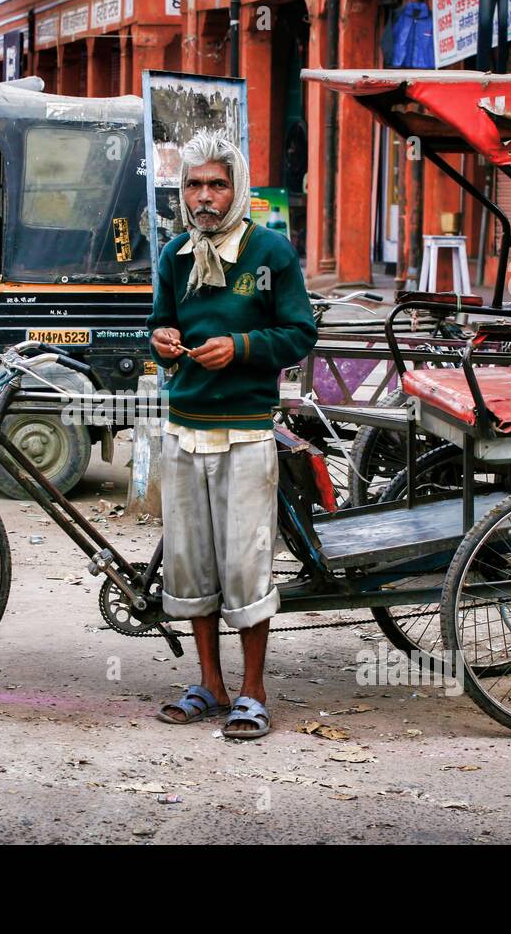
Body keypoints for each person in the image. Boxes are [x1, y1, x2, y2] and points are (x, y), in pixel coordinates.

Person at [147, 131, 317, 739]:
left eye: (217, 184)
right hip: (184, 429)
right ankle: (209, 684)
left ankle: (253, 690)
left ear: (236, 188)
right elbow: (160, 324)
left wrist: (241, 347)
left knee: (246, 566)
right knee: (191, 565)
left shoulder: (270, 253)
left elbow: (299, 334)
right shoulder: (175, 256)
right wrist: (164, 343)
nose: (205, 197)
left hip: (246, 432)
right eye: (194, 185)